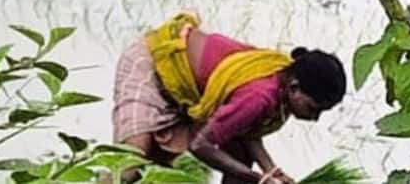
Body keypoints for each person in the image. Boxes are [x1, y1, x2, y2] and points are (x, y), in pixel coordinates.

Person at [112, 13, 347, 183]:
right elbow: (199, 144)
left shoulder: (282, 83)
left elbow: (248, 131)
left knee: (237, 156)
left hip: (184, 90)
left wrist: (271, 170)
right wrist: (257, 178)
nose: (315, 118)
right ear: (295, 88)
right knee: (130, 164)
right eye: (314, 108)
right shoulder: (262, 95)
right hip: (152, 65)